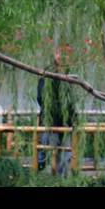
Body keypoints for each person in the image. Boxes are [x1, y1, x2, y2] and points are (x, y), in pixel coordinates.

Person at [36, 44, 76, 176]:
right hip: (52, 120)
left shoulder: (71, 75)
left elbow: (72, 100)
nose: (62, 57)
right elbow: (41, 98)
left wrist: (72, 116)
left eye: (65, 54)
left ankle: (62, 180)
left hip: (66, 122)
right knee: (53, 152)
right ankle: (53, 180)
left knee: (66, 154)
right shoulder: (47, 73)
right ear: (54, 55)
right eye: (59, 53)